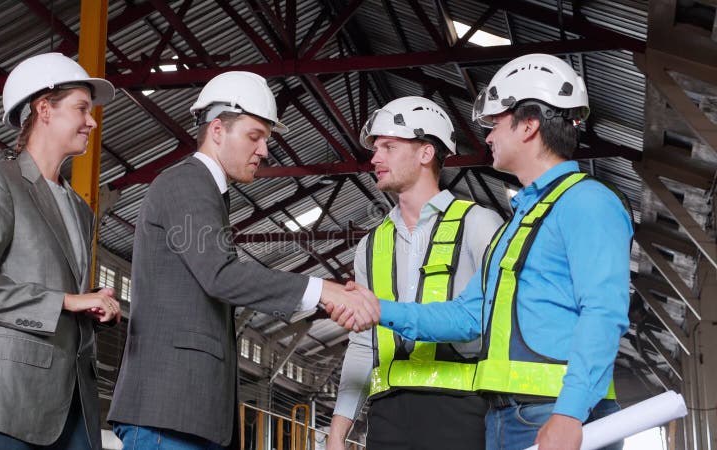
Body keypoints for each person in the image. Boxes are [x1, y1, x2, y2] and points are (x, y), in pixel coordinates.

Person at [333, 54, 633, 450]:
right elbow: (469, 314)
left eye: (496, 124)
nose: (488, 136)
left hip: (555, 412)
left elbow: (604, 311)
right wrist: (379, 309)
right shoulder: (517, 225)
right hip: (505, 417)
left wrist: (570, 413)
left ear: (529, 125)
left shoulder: (587, 202)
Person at [107, 71, 379, 450]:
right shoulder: (186, 183)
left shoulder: (209, 194)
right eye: (254, 136)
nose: (264, 150)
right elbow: (220, 275)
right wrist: (323, 290)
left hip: (187, 415)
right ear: (217, 130)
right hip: (167, 414)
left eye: (266, 139)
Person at [0, 52, 120, 450]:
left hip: (71, 403)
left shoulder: (80, 209)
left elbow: (65, 295)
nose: (92, 121)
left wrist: (92, 305)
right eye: (81, 108)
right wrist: (65, 301)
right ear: (44, 110)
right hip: (4, 401)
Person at [326, 97, 503, 450]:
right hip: (387, 419)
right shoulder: (371, 246)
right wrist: (337, 430)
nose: (375, 158)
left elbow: (499, 320)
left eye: (389, 147)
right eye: (376, 149)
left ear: (425, 154)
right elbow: (364, 341)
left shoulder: (479, 224)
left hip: (463, 414)